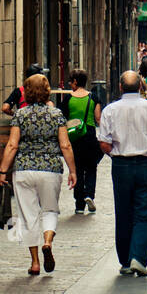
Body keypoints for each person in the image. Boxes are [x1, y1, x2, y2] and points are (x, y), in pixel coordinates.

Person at [0, 73, 76, 275]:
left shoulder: (20, 115)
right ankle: (48, 241)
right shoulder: (57, 114)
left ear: (27, 91)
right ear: (47, 90)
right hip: (50, 169)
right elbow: (65, 145)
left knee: (28, 215)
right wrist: (72, 170)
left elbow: (13, 145)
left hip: (24, 169)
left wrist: (2, 171)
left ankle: (34, 263)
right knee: (50, 210)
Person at [98, 70, 147, 276]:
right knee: (145, 212)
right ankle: (138, 256)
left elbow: (104, 142)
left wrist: (115, 154)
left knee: (123, 211)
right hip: (146, 164)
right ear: (140, 86)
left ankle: (126, 260)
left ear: (120, 87)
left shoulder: (110, 110)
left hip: (121, 165)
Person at [67, 69, 103, 214]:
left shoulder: (68, 99)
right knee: (91, 168)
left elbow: (64, 120)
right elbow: (98, 118)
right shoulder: (94, 98)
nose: (70, 84)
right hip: (89, 136)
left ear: (75, 81)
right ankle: (89, 195)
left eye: (71, 81)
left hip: (74, 138)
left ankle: (79, 204)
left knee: (77, 169)